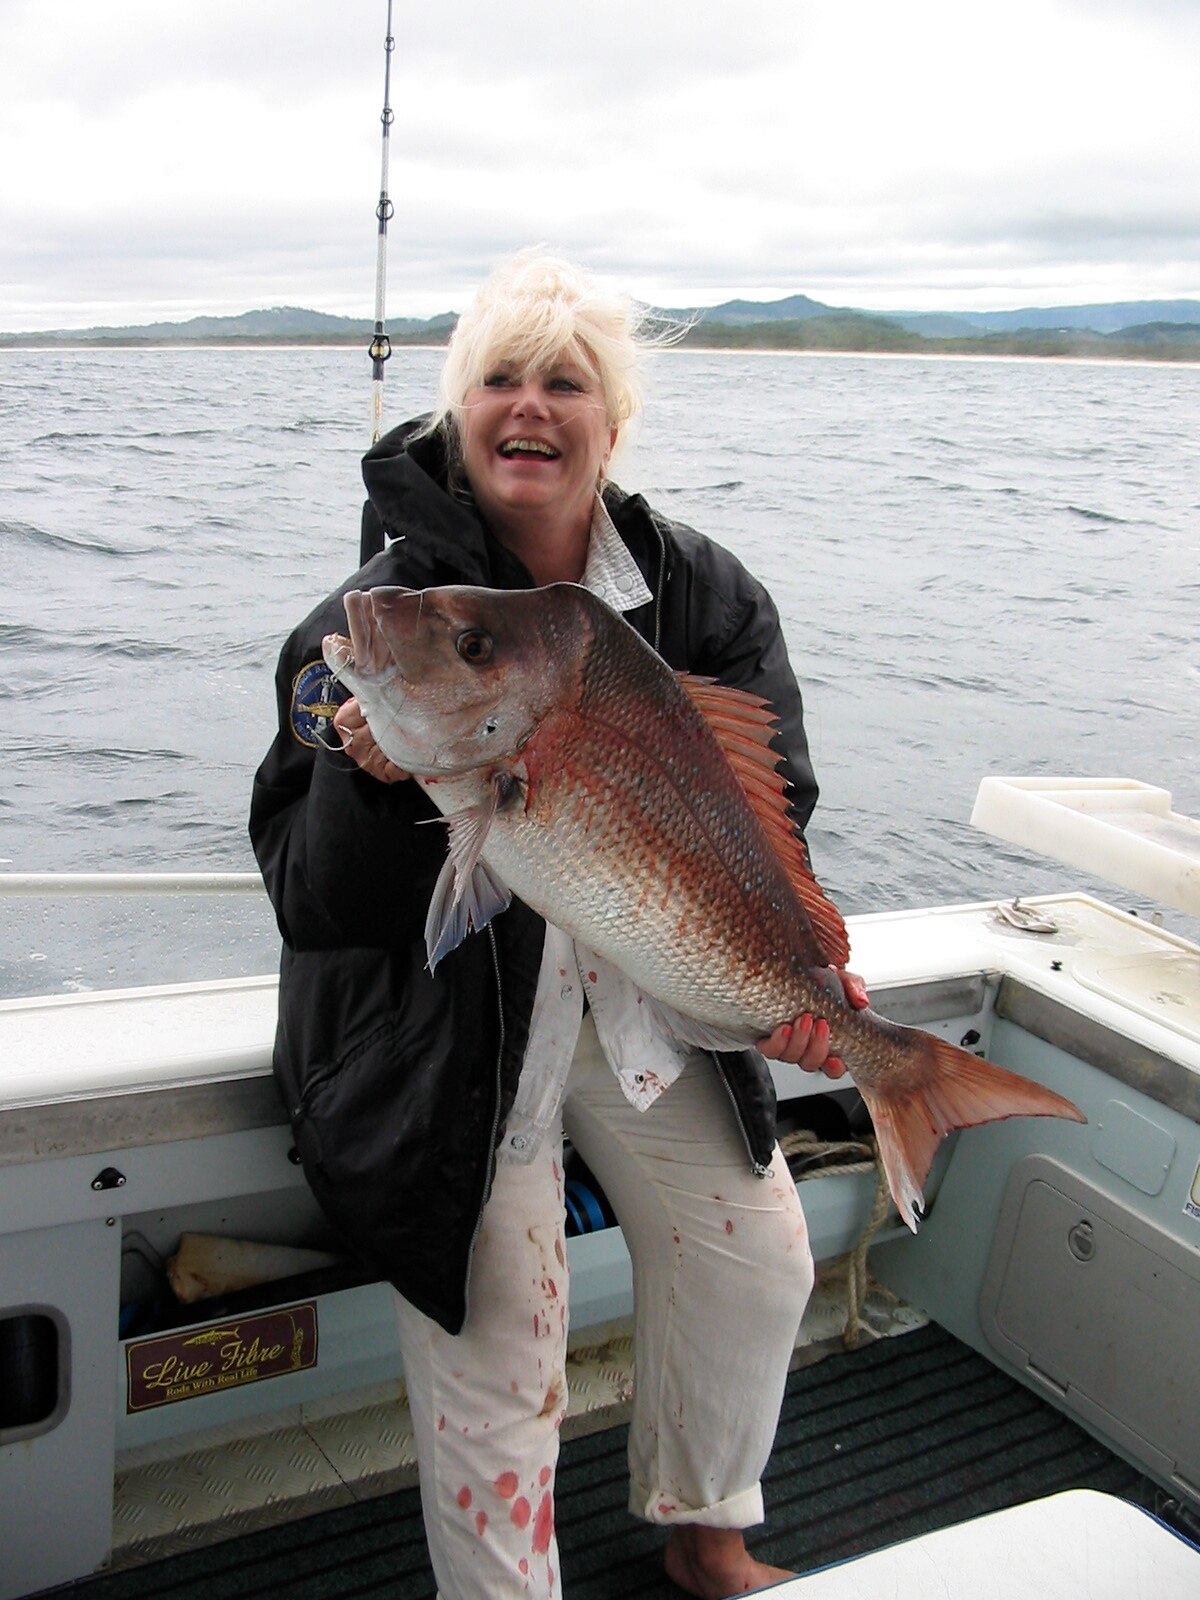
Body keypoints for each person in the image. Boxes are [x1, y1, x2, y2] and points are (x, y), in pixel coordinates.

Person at [250, 250, 867, 1600]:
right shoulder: (385, 631)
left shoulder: (705, 595)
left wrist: (797, 983)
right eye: (498, 379)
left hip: (649, 992)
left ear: (614, 416)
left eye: (565, 381)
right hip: (444, 1049)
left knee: (761, 1255)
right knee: (502, 1349)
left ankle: (709, 1538)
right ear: (457, 413)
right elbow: (312, 901)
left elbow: (778, 813)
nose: (529, 407)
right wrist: (369, 786)